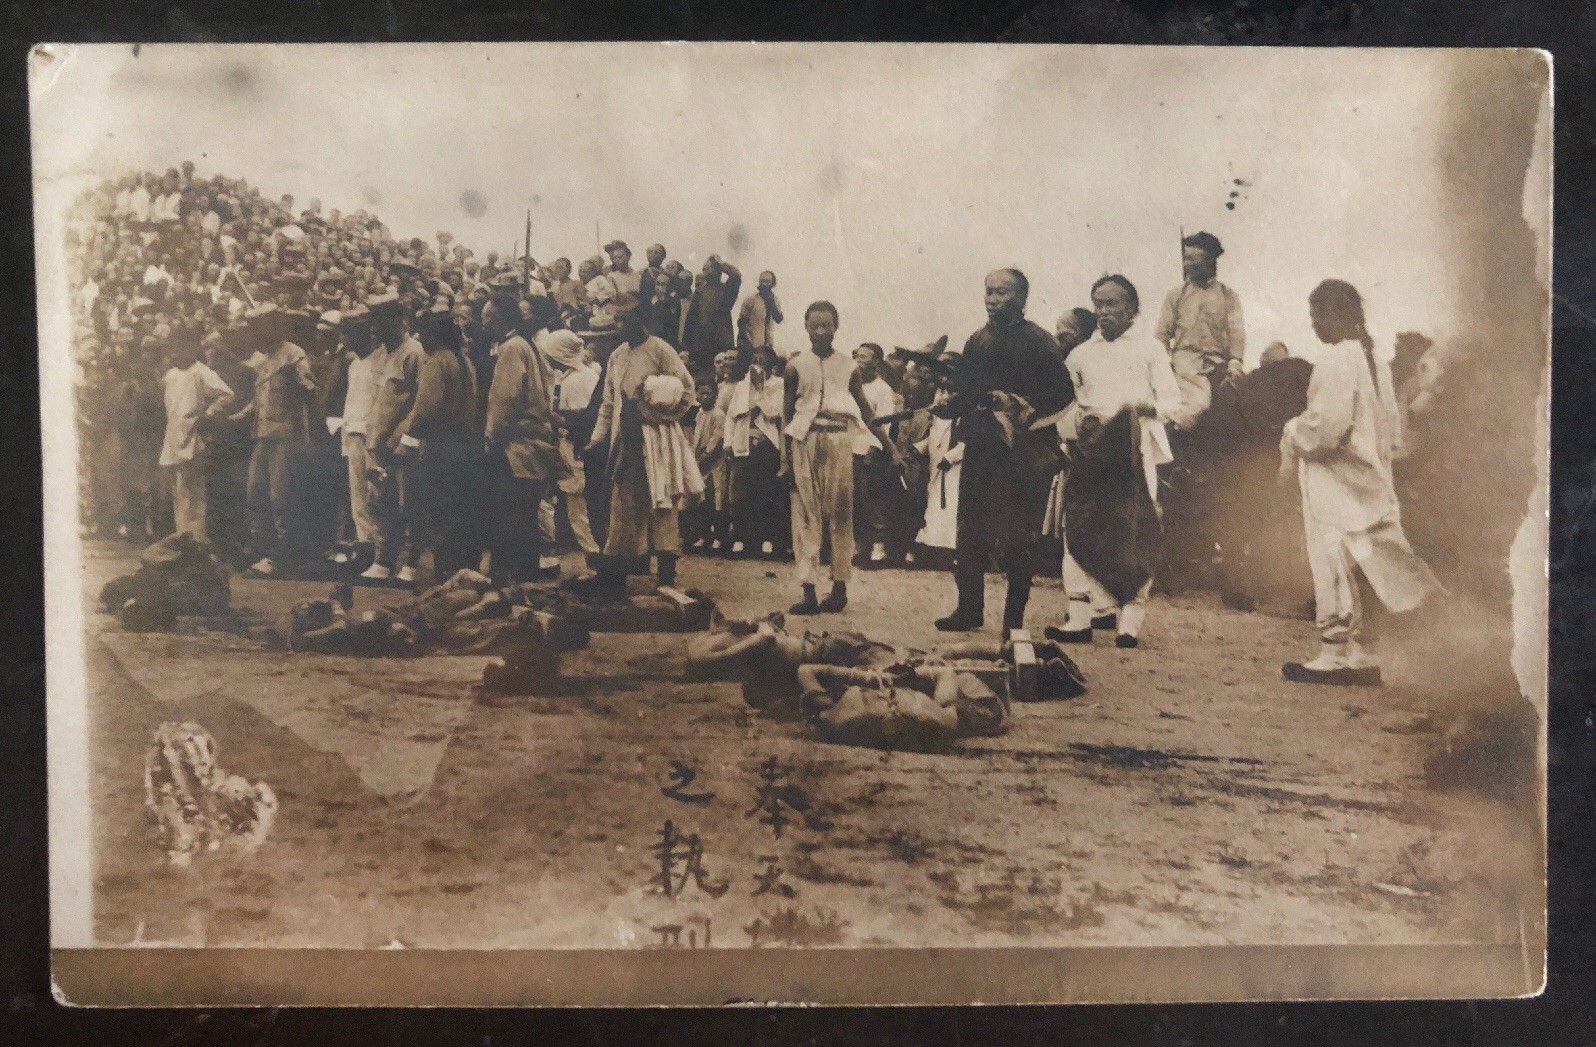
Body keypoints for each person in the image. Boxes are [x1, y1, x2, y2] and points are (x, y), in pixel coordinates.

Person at [1279, 279, 1442, 686]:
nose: (1315, 323)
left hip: (1334, 478)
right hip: (1367, 476)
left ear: (1343, 316)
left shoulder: (1336, 358)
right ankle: (1363, 651)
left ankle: (1335, 652)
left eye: (1320, 313)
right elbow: (1390, 430)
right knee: (1367, 558)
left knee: (1332, 558)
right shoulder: (1372, 360)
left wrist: (1292, 430)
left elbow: (1325, 430)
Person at [934, 269, 1072, 636]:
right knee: (970, 532)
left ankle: (1014, 620)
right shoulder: (976, 340)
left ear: (1022, 298)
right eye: (988, 291)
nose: (992, 299)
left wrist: (1016, 403)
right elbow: (965, 392)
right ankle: (969, 610)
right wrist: (950, 405)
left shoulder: (1041, 342)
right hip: (981, 447)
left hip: (1023, 452)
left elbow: (1062, 396)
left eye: (1002, 292)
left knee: (1018, 537)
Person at [1049, 274, 1180, 649]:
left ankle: (1129, 622)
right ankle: (1079, 618)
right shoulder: (1081, 355)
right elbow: (1065, 406)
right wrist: (1074, 429)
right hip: (1090, 453)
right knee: (1078, 526)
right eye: (1099, 304)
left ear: (1133, 309)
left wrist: (1141, 408)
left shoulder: (1151, 350)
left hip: (1133, 454)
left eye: (1113, 304)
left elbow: (1173, 403)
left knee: (1134, 532)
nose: (1104, 312)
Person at [781, 302, 897, 616]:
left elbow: (866, 412)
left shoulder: (849, 367)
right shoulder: (795, 367)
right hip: (804, 441)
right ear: (806, 326)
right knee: (805, 516)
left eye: (827, 325)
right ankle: (808, 592)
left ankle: (840, 588)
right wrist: (784, 459)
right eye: (815, 325)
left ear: (836, 327)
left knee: (841, 514)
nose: (821, 332)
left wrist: (890, 446)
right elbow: (786, 414)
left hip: (839, 442)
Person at [585, 304, 701, 592]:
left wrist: (655, 413)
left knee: (662, 499)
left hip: (657, 437)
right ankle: (619, 569)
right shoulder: (617, 356)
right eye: (618, 320)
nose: (621, 325)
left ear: (641, 321)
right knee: (623, 501)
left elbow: (687, 391)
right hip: (625, 438)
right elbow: (609, 403)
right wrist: (597, 439)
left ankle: (666, 571)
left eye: (626, 319)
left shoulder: (660, 349)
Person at [482, 294, 564, 586]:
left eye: (488, 319)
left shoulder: (512, 348)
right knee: (525, 518)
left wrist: (492, 438)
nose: (485, 325)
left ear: (499, 319)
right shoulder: (528, 346)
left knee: (511, 518)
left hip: (517, 447)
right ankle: (523, 581)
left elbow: (506, 399)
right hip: (534, 446)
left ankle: (510, 583)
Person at [393, 308, 480, 579]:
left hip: (441, 445)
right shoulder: (464, 361)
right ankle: (461, 571)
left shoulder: (437, 363)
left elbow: (425, 410)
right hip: (464, 443)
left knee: (440, 512)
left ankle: (445, 573)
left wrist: (406, 439)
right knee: (459, 511)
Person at [238, 305, 317, 577]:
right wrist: (238, 416)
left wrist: (296, 382)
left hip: (285, 434)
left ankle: (284, 557)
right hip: (262, 433)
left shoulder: (294, 355)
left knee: (281, 497)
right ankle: (263, 552)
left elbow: (309, 389)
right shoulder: (263, 359)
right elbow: (258, 398)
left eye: (260, 326)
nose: (257, 333)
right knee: (255, 492)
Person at [363, 292, 427, 582]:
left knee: (409, 503)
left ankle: (411, 564)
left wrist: (402, 437)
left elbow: (419, 403)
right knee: (380, 502)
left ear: (399, 320)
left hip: (404, 444)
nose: (375, 329)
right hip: (377, 442)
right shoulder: (380, 354)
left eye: (382, 321)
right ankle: (383, 560)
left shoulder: (414, 353)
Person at [1155, 231, 1245, 427]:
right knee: (1198, 404)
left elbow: (1236, 331)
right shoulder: (1176, 295)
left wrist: (1235, 361)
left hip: (1219, 363)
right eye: (1186, 259)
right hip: (1186, 365)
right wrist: (1164, 365)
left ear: (1210, 261)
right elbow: (1162, 334)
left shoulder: (1228, 295)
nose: (1188, 264)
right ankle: (1167, 430)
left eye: (1193, 259)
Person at [157, 326, 235, 541]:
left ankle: (196, 540)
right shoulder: (170, 375)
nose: (178, 352)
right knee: (178, 493)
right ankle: (182, 537)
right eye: (174, 348)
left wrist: (207, 414)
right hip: (173, 437)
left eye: (183, 347)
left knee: (194, 492)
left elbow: (226, 395)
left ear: (193, 348)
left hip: (193, 437)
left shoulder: (201, 372)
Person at [536, 328, 602, 562]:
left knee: (579, 509)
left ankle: (594, 557)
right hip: (580, 449)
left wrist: (552, 418)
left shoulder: (575, 381)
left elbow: (580, 421)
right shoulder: (584, 375)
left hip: (577, 450)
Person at [725, 344, 790, 558]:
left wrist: (760, 390)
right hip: (744, 442)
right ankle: (742, 540)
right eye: (755, 360)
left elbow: (773, 413)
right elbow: (732, 415)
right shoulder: (743, 386)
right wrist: (728, 442)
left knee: (767, 493)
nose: (758, 365)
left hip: (768, 443)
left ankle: (768, 540)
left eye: (762, 361)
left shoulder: (779, 385)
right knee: (741, 495)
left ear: (772, 366)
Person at [333, 305, 383, 570]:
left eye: (350, 336)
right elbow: (351, 403)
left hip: (373, 436)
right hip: (353, 433)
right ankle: (364, 547)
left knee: (375, 494)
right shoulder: (354, 365)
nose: (346, 341)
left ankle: (379, 550)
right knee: (358, 495)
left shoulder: (381, 361)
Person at [850, 342, 904, 567]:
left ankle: (879, 550)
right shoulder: (851, 386)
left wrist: (875, 447)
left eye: (864, 357)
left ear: (876, 362)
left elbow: (881, 423)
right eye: (857, 356)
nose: (859, 360)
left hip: (871, 450)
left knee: (871, 499)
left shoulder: (882, 389)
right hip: (849, 447)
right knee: (853, 501)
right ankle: (859, 549)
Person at [682, 374, 727, 551]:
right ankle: (703, 534)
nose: (704, 397)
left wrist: (705, 456)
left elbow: (716, 439)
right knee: (702, 500)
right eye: (701, 394)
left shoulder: (718, 415)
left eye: (708, 393)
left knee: (718, 499)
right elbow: (697, 436)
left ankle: (720, 536)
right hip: (700, 461)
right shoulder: (700, 414)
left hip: (714, 462)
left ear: (715, 395)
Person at [682, 256, 742, 374]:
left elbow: (736, 277)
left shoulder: (725, 291)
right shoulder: (699, 292)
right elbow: (691, 319)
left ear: (717, 271)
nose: (704, 273)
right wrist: (687, 346)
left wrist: (722, 264)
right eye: (703, 269)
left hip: (720, 341)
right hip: (701, 344)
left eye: (707, 269)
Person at [737, 270, 783, 352]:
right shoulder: (750, 300)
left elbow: (779, 319)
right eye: (762, 281)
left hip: (767, 345)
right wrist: (746, 341)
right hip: (752, 344)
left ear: (772, 284)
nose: (764, 284)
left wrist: (771, 303)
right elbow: (741, 322)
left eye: (767, 281)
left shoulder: (775, 300)